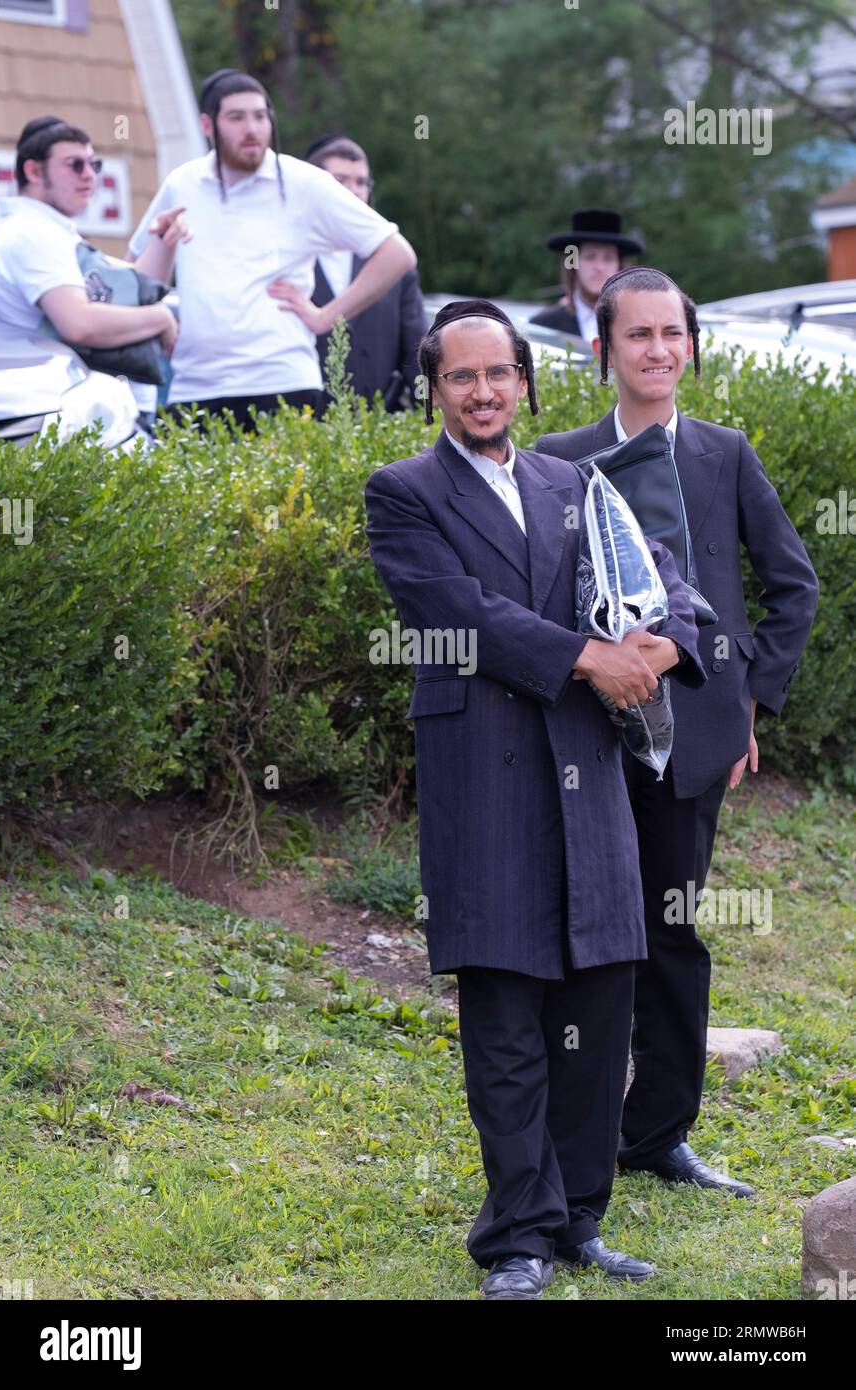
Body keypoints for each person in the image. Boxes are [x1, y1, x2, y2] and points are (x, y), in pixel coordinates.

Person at [364, 298, 706, 1299]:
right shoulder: (403, 492)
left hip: (587, 776)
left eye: (497, 374)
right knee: (506, 1014)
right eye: (460, 377)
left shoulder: (580, 485)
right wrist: (589, 659)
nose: (481, 392)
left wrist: (660, 644)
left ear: (525, 383)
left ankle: (578, 1222)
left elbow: (667, 586)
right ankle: (514, 1234)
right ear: (432, 390)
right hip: (487, 773)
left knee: (598, 1006)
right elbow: (456, 614)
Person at [536, 267, 819, 1199]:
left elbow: (792, 584)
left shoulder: (723, 454)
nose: (658, 350)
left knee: (670, 930)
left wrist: (746, 701)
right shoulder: (557, 457)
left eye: (673, 334)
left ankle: (657, 1131)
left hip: (693, 740)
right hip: (585, 736)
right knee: (583, 933)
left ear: (691, 346)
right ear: (602, 349)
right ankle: (563, 1125)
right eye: (638, 335)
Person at [128, 70, 416, 427]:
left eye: (260, 116)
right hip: (193, 388)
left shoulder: (304, 182)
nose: (252, 128)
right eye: (236, 117)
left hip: (284, 385)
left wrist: (325, 317)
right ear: (207, 124)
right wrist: (159, 319)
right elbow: (136, 277)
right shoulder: (181, 183)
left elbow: (397, 253)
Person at [0, 116, 185, 362]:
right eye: (75, 165)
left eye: (95, 165)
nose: (90, 176)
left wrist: (163, 240)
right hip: (49, 396)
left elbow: (132, 296)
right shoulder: (31, 234)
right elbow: (79, 325)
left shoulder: (50, 231)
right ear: (34, 172)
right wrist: (161, 317)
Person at [303, 133, 426, 410]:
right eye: (340, 180)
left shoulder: (395, 261)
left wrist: (432, 416)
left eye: (361, 182)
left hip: (377, 424)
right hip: (304, 426)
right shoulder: (289, 257)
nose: (354, 190)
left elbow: (416, 349)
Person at [530, 208, 643, 341]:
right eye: (590, 257)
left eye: (608, 258)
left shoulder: (638, 324)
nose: (599, 267)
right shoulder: (543, 327)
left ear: (619, 266)